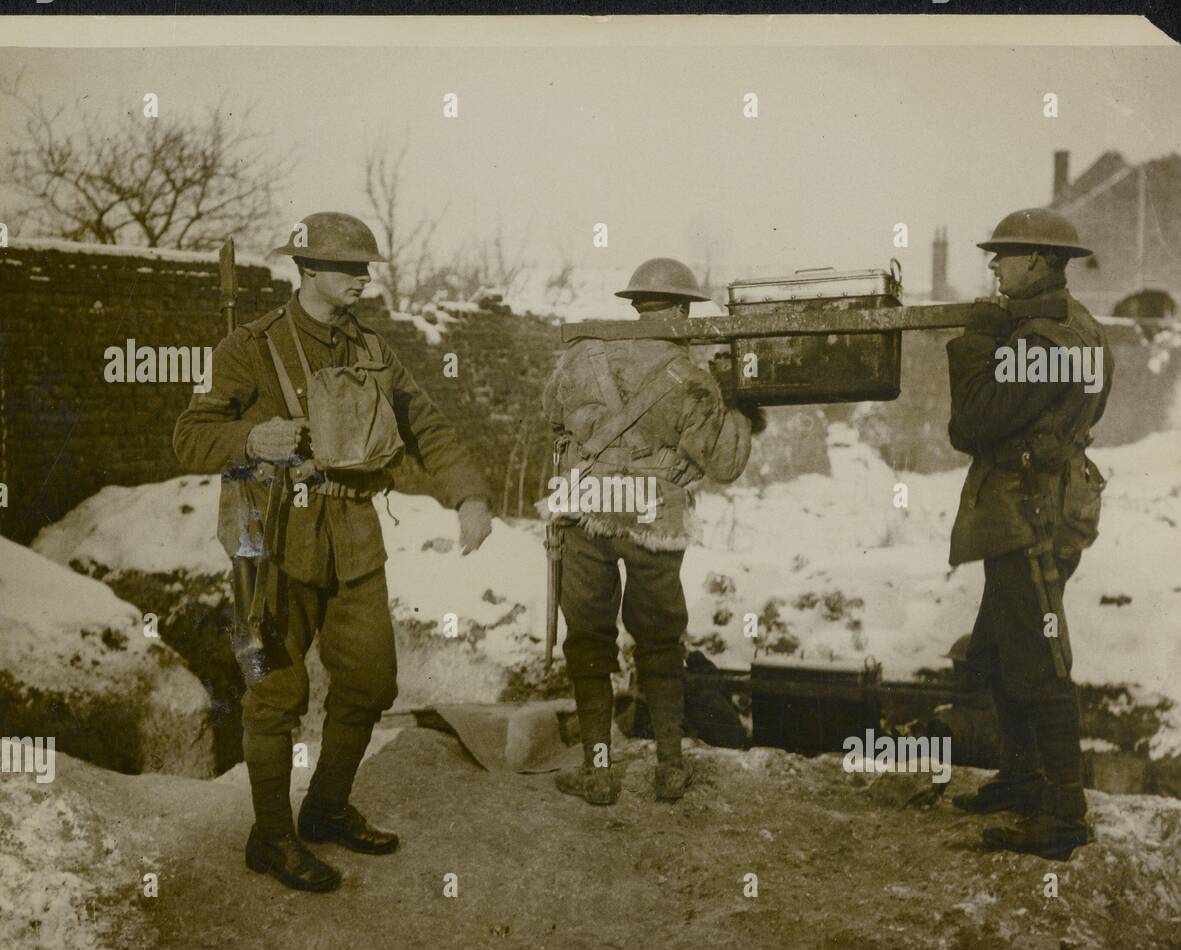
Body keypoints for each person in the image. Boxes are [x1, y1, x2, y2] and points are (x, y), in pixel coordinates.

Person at [174, 212, 492, 892]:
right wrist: (251, 440)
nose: (363, 279)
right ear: (309, 271)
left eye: (366, 268)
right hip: (269, 543)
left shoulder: (373, 349)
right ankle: (271, 835)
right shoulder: (247, 347)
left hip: (352, 539)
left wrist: (467, 494)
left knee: (372, 681)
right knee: (273, 693)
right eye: (350, 268)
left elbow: (425, 422)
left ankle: (322, 808)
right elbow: (189, 436)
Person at [543, 257, 759, 805]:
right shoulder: (693, 378)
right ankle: (669, 768)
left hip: (585, 507)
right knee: (661, 642)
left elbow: (552, 415)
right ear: (683, 309)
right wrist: (742, 407)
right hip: (650, 516)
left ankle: (597, 773)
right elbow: (726, 462)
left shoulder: (579, 355)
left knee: (589, 642)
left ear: (636, 304)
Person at [945, 208, 1113, 861]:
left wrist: (974, 343)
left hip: (1030, 515)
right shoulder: (1079, 328)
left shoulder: (1041, 345)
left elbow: (975, 423)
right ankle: (1022, 777)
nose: (994, 265)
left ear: (1039, 262)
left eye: (1004, 256)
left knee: (1039, 656)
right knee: (999, 644)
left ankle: (1064, 811)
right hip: (1035, 505)